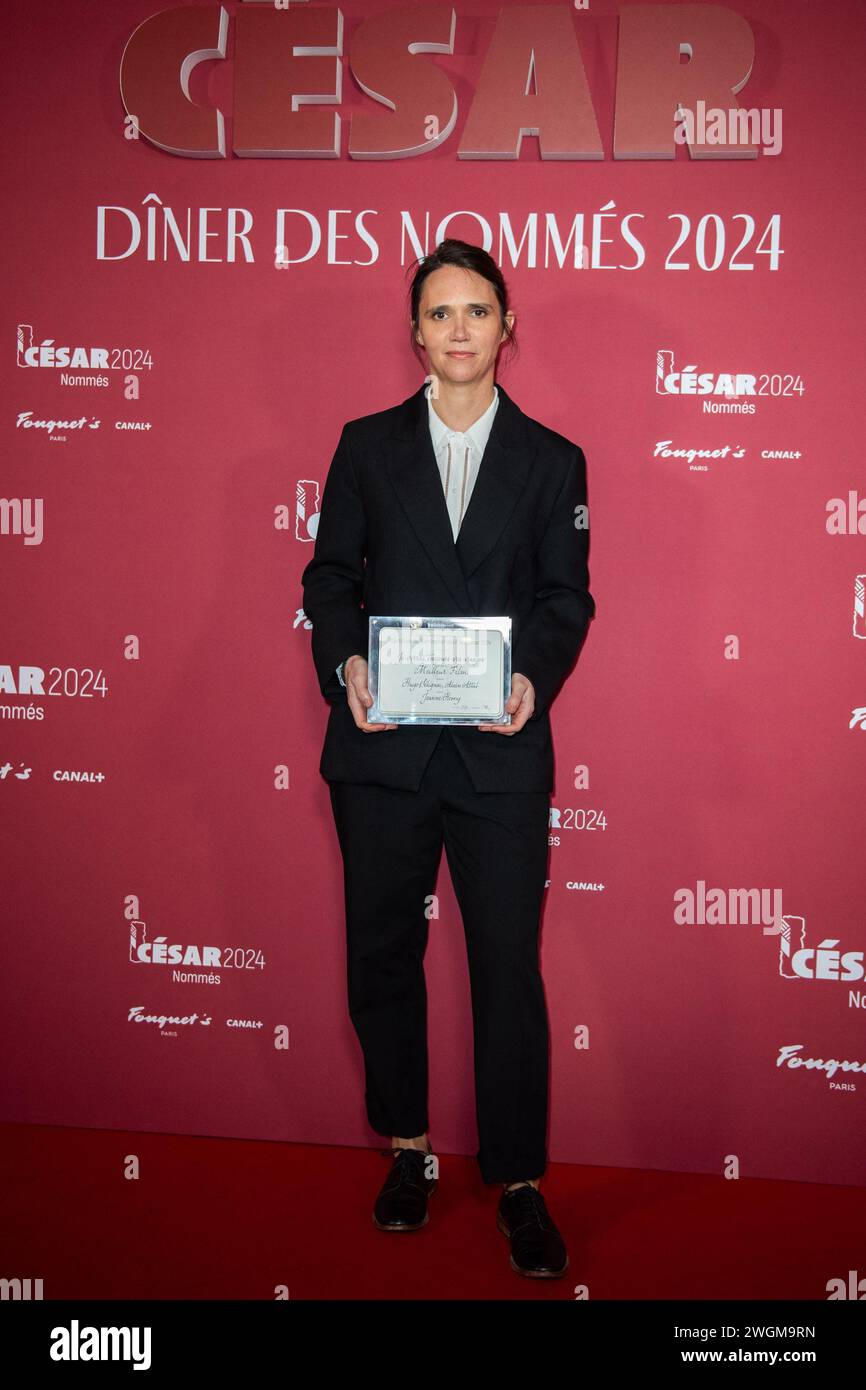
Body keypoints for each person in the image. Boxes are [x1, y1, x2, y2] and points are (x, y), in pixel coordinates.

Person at [301, 238, 595, 1279]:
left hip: (497, 755)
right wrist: (346, 661)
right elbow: (329, 576)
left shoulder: (553, 459)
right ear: (415, 330)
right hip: (382, 753)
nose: (459, 330)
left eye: (477, 311)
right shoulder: (364, 445)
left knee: (505, 968)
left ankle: (516, 1176)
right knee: (382, 950)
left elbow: (565, 600)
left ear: (506, 328)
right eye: (440, 313)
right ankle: (409, 1149)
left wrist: (534, 677)